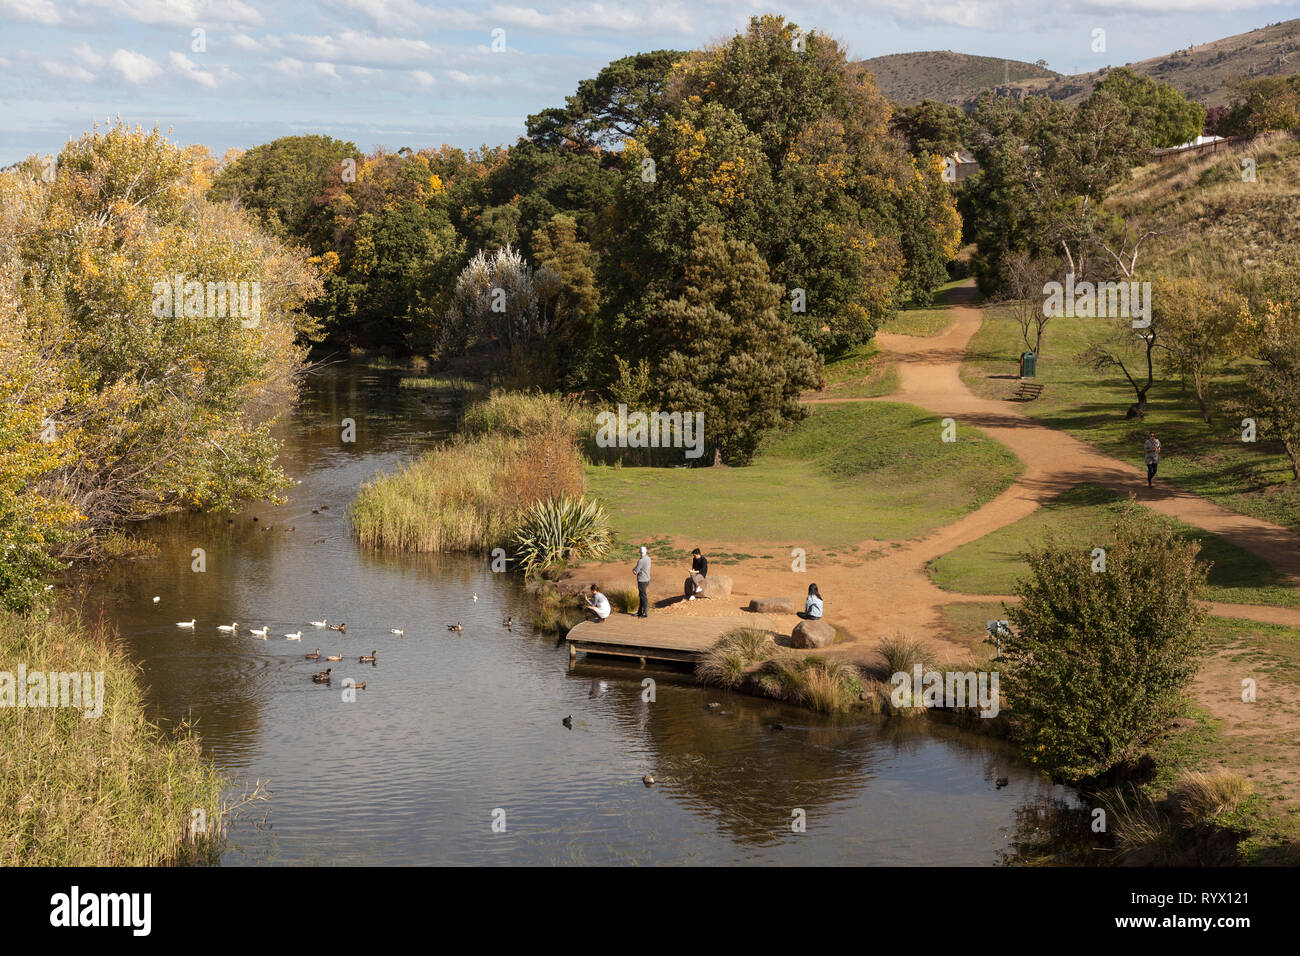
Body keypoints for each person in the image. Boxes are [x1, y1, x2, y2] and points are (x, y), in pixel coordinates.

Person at [633, 546, 651, 618]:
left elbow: (635, 571)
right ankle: (640, 611)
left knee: (643, 597)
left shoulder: (640, 561)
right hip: (647, 579)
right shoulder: (648, 559)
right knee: (641, 596)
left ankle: (645, 612)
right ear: (646, 552)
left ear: (640, 553)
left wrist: (634, 570)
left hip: (642, 581)